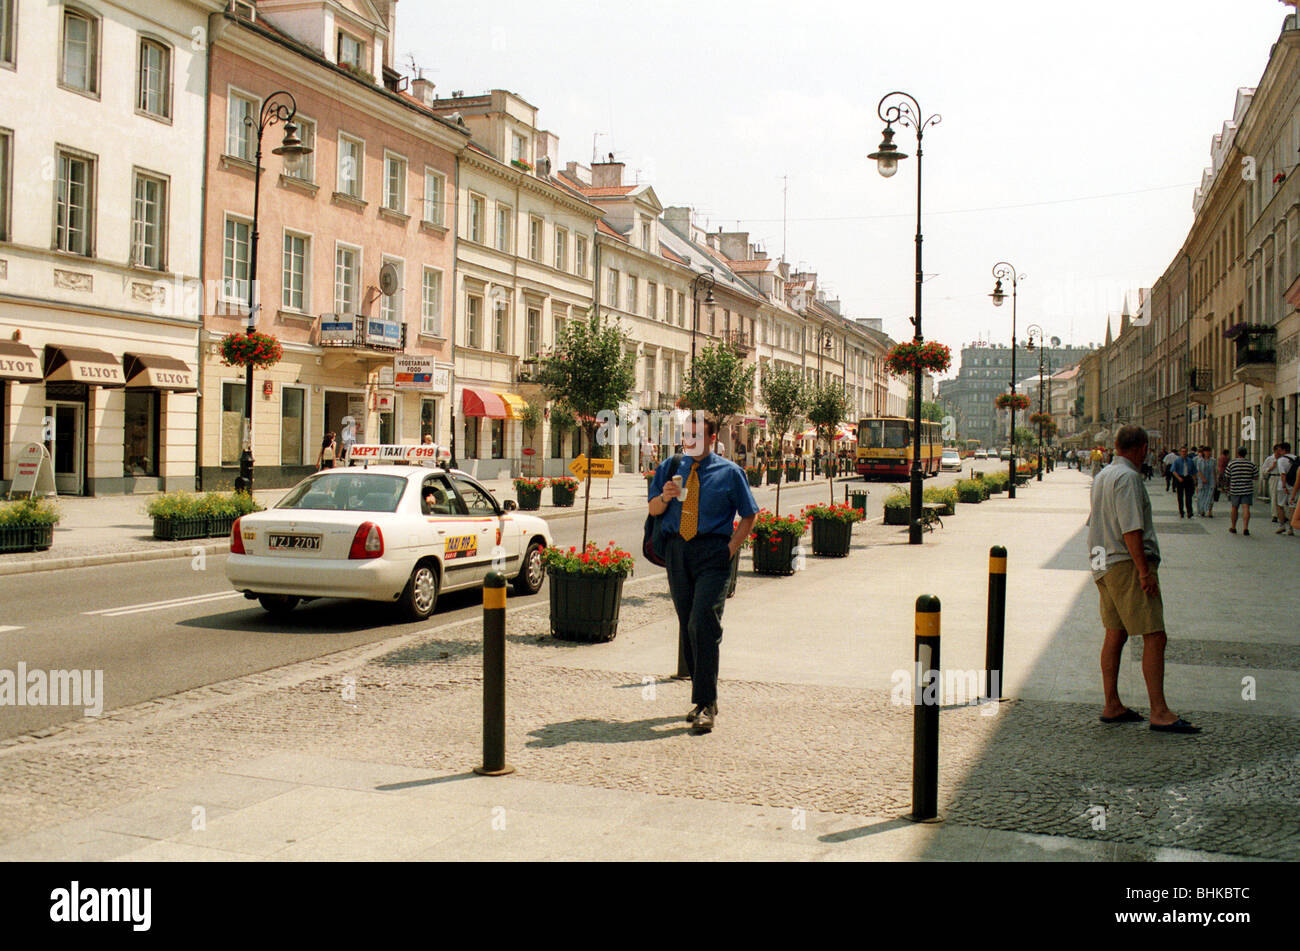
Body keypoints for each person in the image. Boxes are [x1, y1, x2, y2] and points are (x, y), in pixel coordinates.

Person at [648, 414, 759, 734]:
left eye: (697, 434)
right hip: (677, 553)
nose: (691, 439)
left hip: (713, 553)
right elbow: (653, 509)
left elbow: (750, 514)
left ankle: (706, 703)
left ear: (712, 439)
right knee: (688, 626)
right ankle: (703, 696)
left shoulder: (730, 472)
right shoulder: (671, 467)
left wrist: (730, 549)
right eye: (687, 434)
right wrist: (665, 497)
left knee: (703, 622)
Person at [1087, 425, 1198, 733]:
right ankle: (1159, 712)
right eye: (1147, 449)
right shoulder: (1128, 478)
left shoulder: (1102, 476)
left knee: (1115, 633)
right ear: (1140, 448)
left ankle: (1112, 704)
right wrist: (1144, 572)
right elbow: (1131, 528)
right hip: (1125, 563)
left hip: (1102, 560)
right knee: (1154, 635)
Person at [1223, 446, 1259, 536]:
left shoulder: (1232, 463)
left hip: (1235, 489)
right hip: (1247, 489)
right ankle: (1246, 528)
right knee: (1246, 508)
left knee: (1234, 508)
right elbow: (1256, 476)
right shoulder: (1251, 464)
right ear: (1245, 453)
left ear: (1237, 453)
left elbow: (1227, 476)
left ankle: (1233, 527)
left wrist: (1227, 487)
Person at [1263, 443, 1293, 532]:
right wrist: (1272, 467)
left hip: (1283, 479)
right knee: (1274, 497)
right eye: (1278, 450)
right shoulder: (1270, 459)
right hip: (1274, 477)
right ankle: (1275, 515)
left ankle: (1284, 518)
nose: (1279, 452)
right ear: (1275, 450)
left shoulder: (1283, 459)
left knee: (1282, 501)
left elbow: (1283, 473)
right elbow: (1264, 470)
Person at [1169, 446, 1195, 518]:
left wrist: (1195, 481)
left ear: (1187, 452)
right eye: (1182, 451)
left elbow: (1193, 471)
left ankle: (1189, 511)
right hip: (1180, 478)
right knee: (1180, 496)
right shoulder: (1177, 461)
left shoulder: (1190, 461)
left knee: (1189, 496)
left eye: (1185, 451)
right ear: (1180, 453)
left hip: (1188, 479)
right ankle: (1181, 511)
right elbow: (1173, 470)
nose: (1184, 453)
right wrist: (1178, 478)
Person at [1194, 445, 1215, 517]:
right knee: (1201, 496)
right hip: (1202, 481)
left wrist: (1216, 481)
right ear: (1204, 452)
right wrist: (1202, 478)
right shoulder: (1199, 460)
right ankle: (1202, 510)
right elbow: (1198, 470)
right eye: (1207, 451)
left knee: (1210, 496)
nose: (1208, 453)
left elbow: (1214, 471)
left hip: (1211, 481)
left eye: (1209, 451)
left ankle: (1210, 511)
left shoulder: (1213, 460)